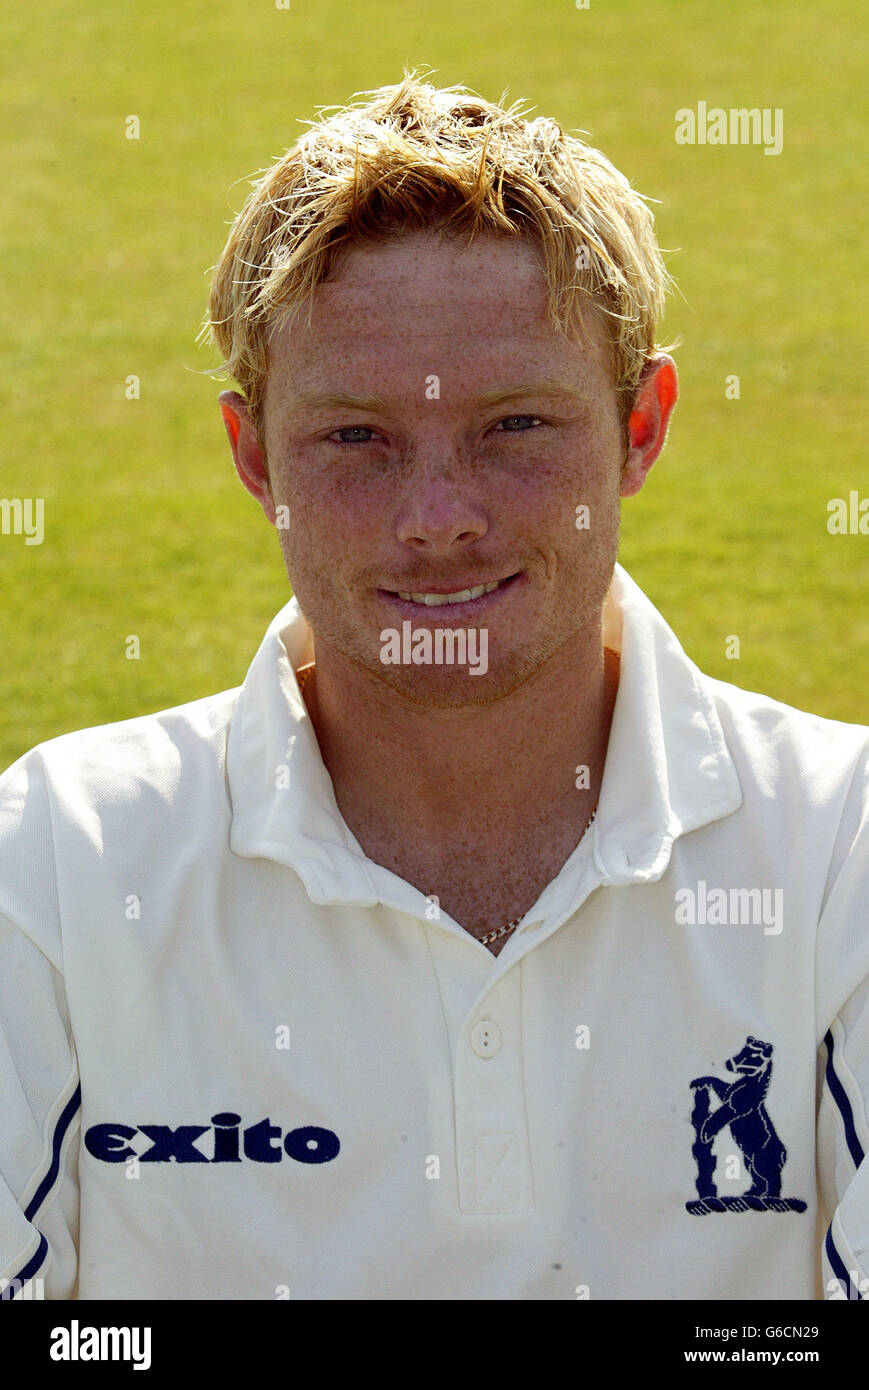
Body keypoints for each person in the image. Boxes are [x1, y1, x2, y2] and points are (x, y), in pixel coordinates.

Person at [1, 71, 866, 1302]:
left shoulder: (840, 848)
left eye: (514, 427)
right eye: (354, 439)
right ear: (253, 455)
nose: (437, 521)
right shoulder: (56, 863)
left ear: (641, 427)